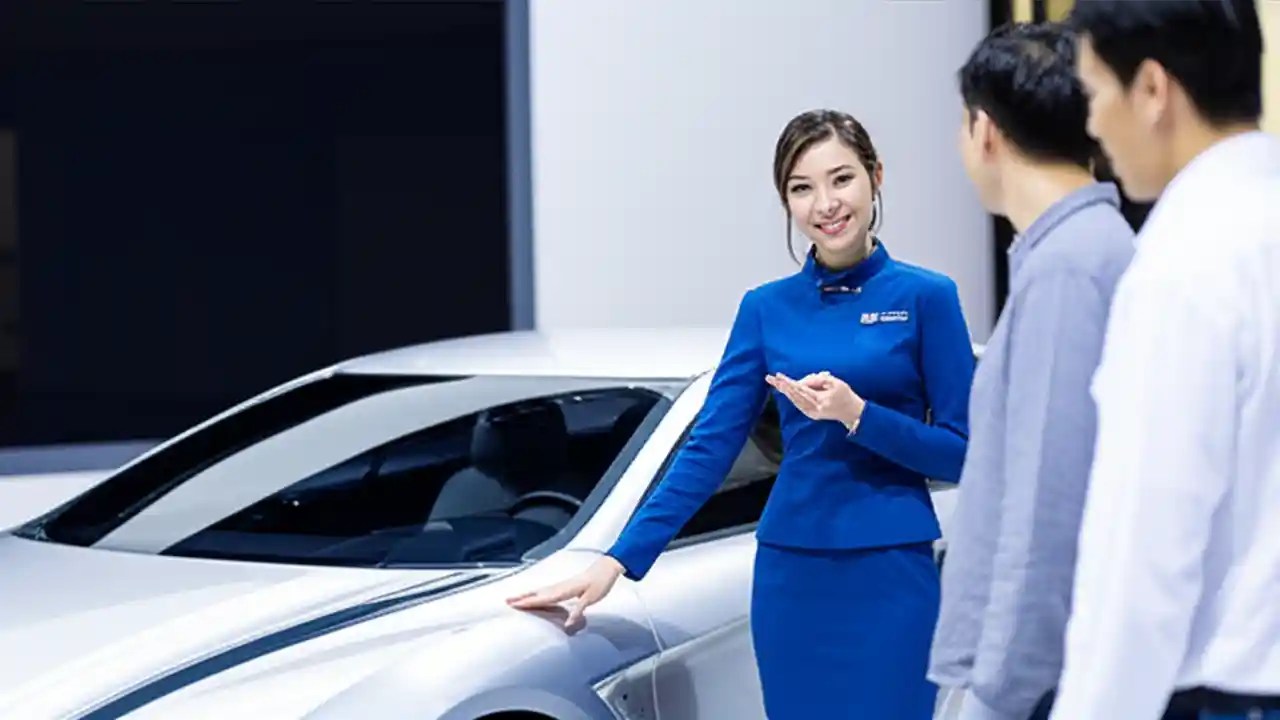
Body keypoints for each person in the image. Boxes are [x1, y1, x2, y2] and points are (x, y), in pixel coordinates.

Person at [507, 108, 976, 719]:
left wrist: (860, 415)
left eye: (841, 179)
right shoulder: (765, 309)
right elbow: (709, 448)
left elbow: (967, 453)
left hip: (892, 571)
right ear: (785, 201)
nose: (826, 204)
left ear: (875, 177)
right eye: (802, 188)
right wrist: (619, 560)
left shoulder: (927, 297)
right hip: (793, 573)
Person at [1049, 2, 1280, 719]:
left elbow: (1142, 556)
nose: (1089, 126)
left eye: (1093, 94)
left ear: (1152, 90)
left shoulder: (1184, 261)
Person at [926, 22, 1136, 720]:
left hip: (1036, 684)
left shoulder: (1069, 267)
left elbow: (1048, 503)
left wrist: (995, 696)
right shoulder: (1083, 251)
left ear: (984, 130)